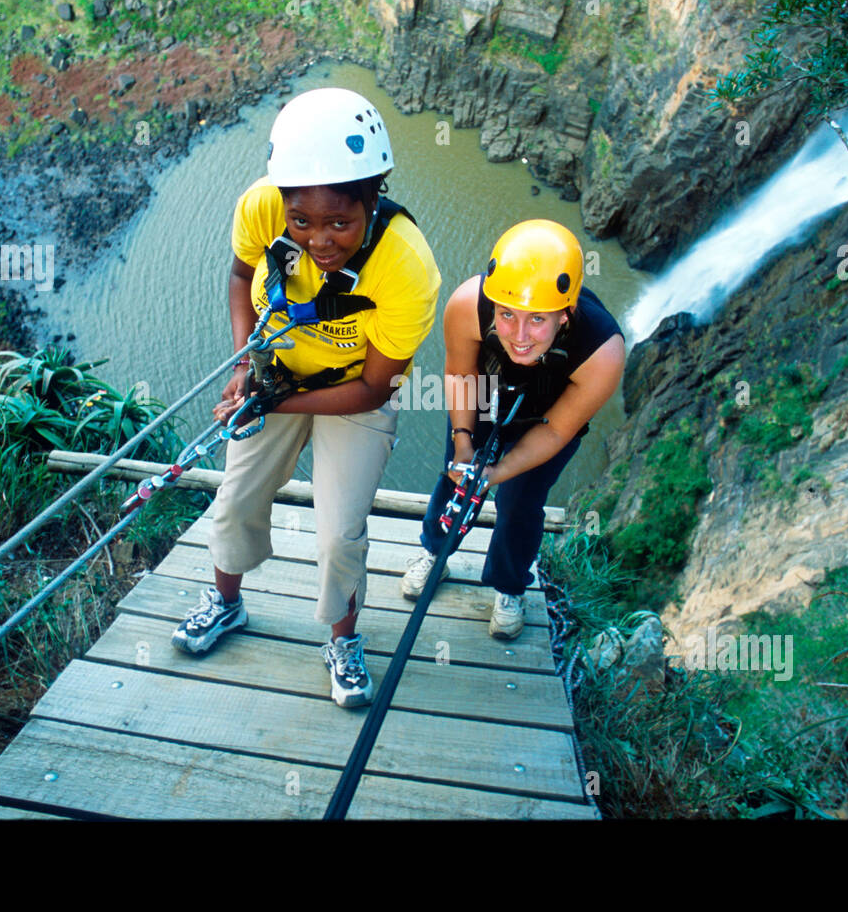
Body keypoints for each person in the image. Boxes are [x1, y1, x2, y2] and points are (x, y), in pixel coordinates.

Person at [172, 87, 441, 708]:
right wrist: (246, 366)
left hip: (354, 390)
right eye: (302, 222)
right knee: (236, 496)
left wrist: (271, 403)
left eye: (340, 223)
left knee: (339, 532)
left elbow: (374, 387)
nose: (320, 240)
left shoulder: (406, 267)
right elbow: (242, 275)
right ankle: (227, 603)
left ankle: (343, 640)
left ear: (374, 197)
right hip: (276, 369)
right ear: (282, 203)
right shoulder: (260, 207)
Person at [400, 219, 625, 639]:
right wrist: (463, 444)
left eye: (537, 319)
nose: (520, 336)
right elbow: (460, 373)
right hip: (484, 392)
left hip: (548, 415)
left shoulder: (601, 351)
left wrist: (499, 472)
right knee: (456, 476)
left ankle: (509, 585)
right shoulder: (469, 305)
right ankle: (435, 550)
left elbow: (556, 432)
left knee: (521, 500)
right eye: (506, 315)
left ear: (565, 314)